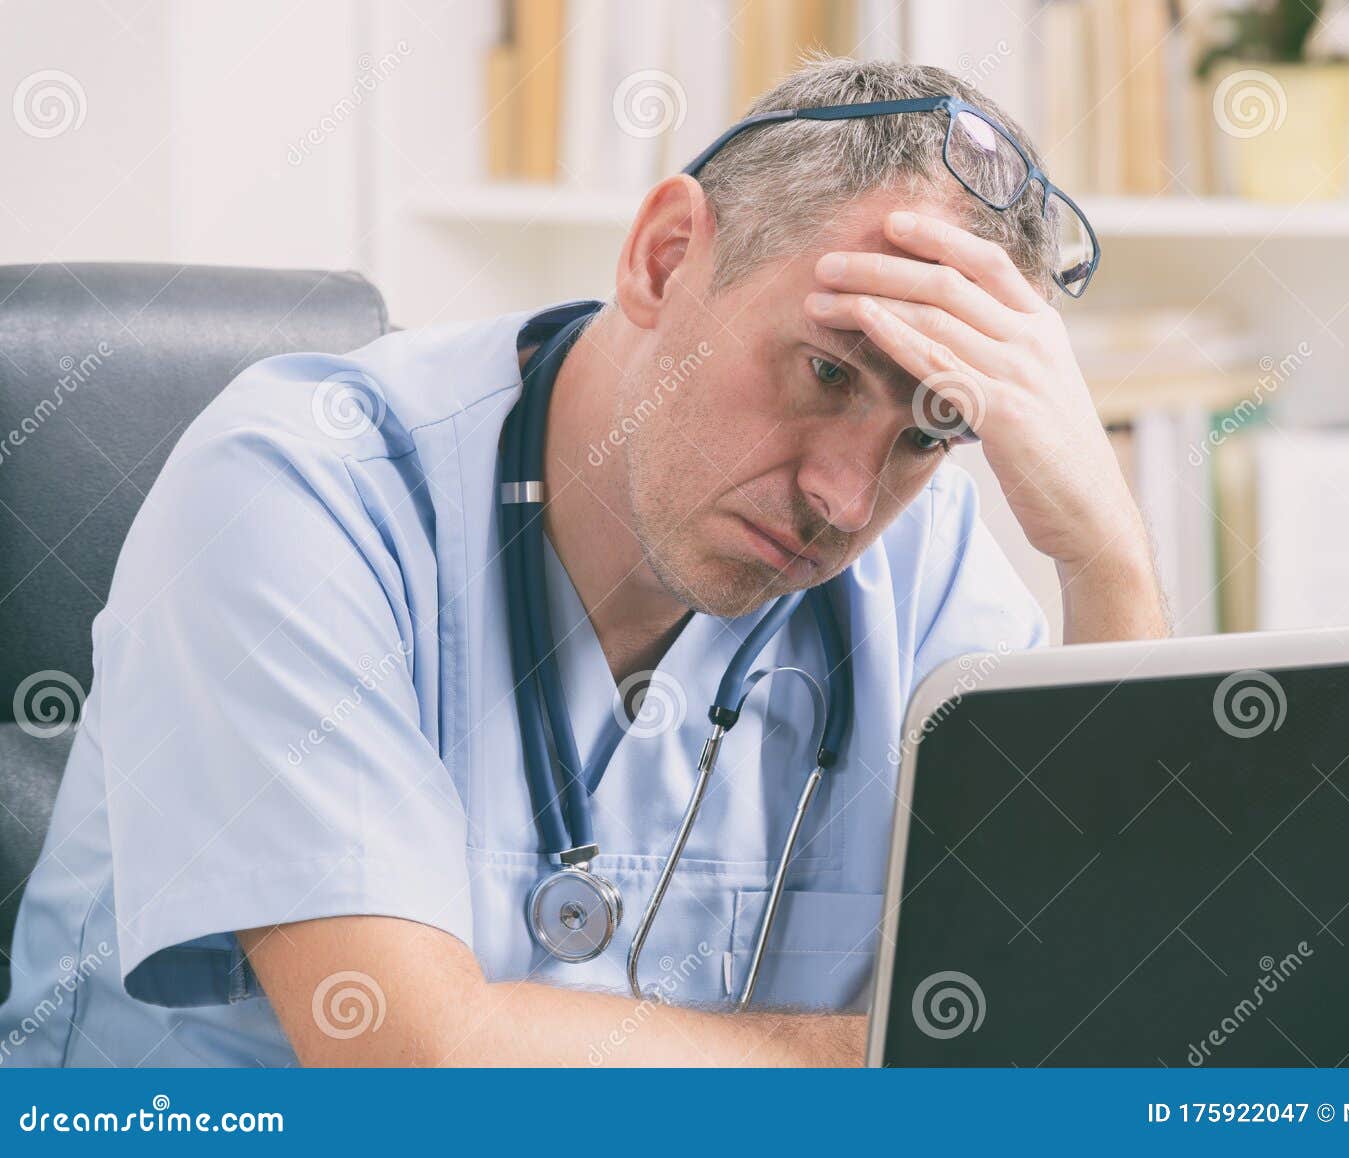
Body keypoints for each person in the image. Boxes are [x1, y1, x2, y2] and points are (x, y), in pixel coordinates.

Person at [0, 57, 1166, 1068]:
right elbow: (408, 1064)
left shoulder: (922, 562)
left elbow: (1113, 986)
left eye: (928, 431)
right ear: (663, 259)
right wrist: (920, 1059)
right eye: (824, 372)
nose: (846, 498)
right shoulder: (299, 486)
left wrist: (1102, 556)